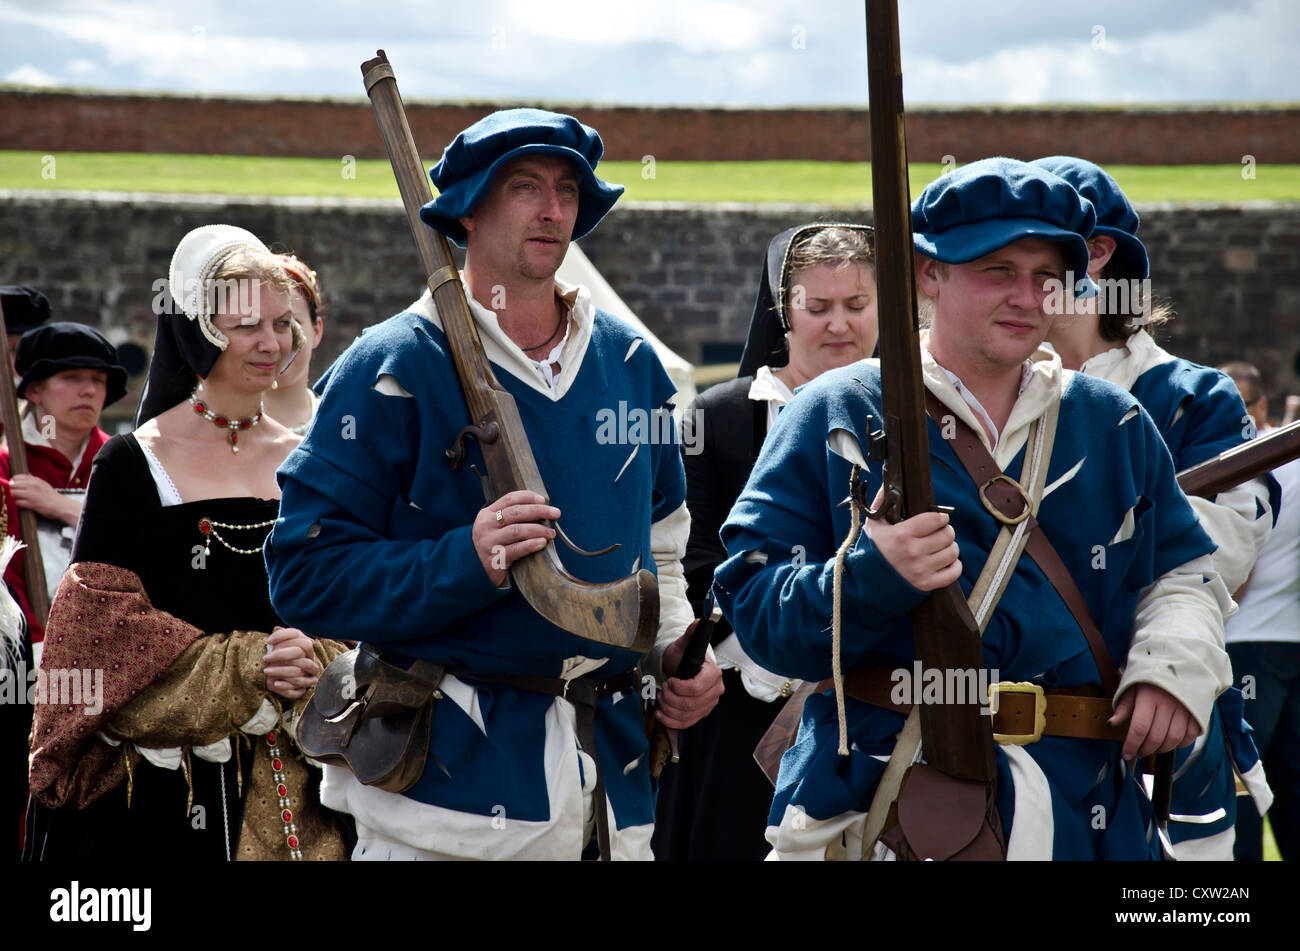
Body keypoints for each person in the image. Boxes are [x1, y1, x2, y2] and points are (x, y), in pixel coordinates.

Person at [714, 158, 1234, 860]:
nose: (1027, 296)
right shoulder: (833, 409)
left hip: (1083, 808)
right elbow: (753, 602)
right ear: (929, 272)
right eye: (997, 269)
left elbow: (1185, 573)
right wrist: (870, 575)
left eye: (1047, 276)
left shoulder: (1113, 420)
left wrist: (1173, 667)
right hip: (883, 799)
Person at [265, 108, 723, 861]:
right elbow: (304, 574)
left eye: (567, 189)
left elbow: (664, 552)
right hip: (445, 807)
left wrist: (675, 652)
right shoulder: (394, 366)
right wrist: (463, 560)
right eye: (524, 187)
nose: (552, 209)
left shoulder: (630, 363)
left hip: (612, 797)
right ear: (469, 210)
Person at [24, 224, 350, 861]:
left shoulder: (311, 462)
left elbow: (348, 597)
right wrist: (245, 666)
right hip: (165, 786)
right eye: (244, 326)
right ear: (198, 330)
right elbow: (96, 639)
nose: (270, 343)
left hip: (302, 778)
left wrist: (319, 658)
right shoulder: (133, 463)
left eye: (283, 323)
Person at [1033, 155, 1274, 860]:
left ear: (1097, 253)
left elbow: (1218, 554)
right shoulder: (974, 397)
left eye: (1032, 249)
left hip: (1153, 716)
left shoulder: (1192, 396)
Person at [653, 223, 878, 861]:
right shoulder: (720, 416)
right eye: (819, 307)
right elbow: (692, 563)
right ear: (784, 311)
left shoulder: (909, 414)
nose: (840, 324)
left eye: (857, 306)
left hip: (867, 710)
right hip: (738, 708)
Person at [1220, 360, 1300, 861]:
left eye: (1242, 405)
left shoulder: (1243, 463)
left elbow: (1235, 574)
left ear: (1262, 406)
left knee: (1242, 786)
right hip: (1285, 640)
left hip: (1244, 641)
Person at [262, 253, 326, 435]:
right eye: (255, 324)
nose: (273, 343)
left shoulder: (342, 424)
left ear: (317, 331)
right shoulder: (222, 424)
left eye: (286, 323)